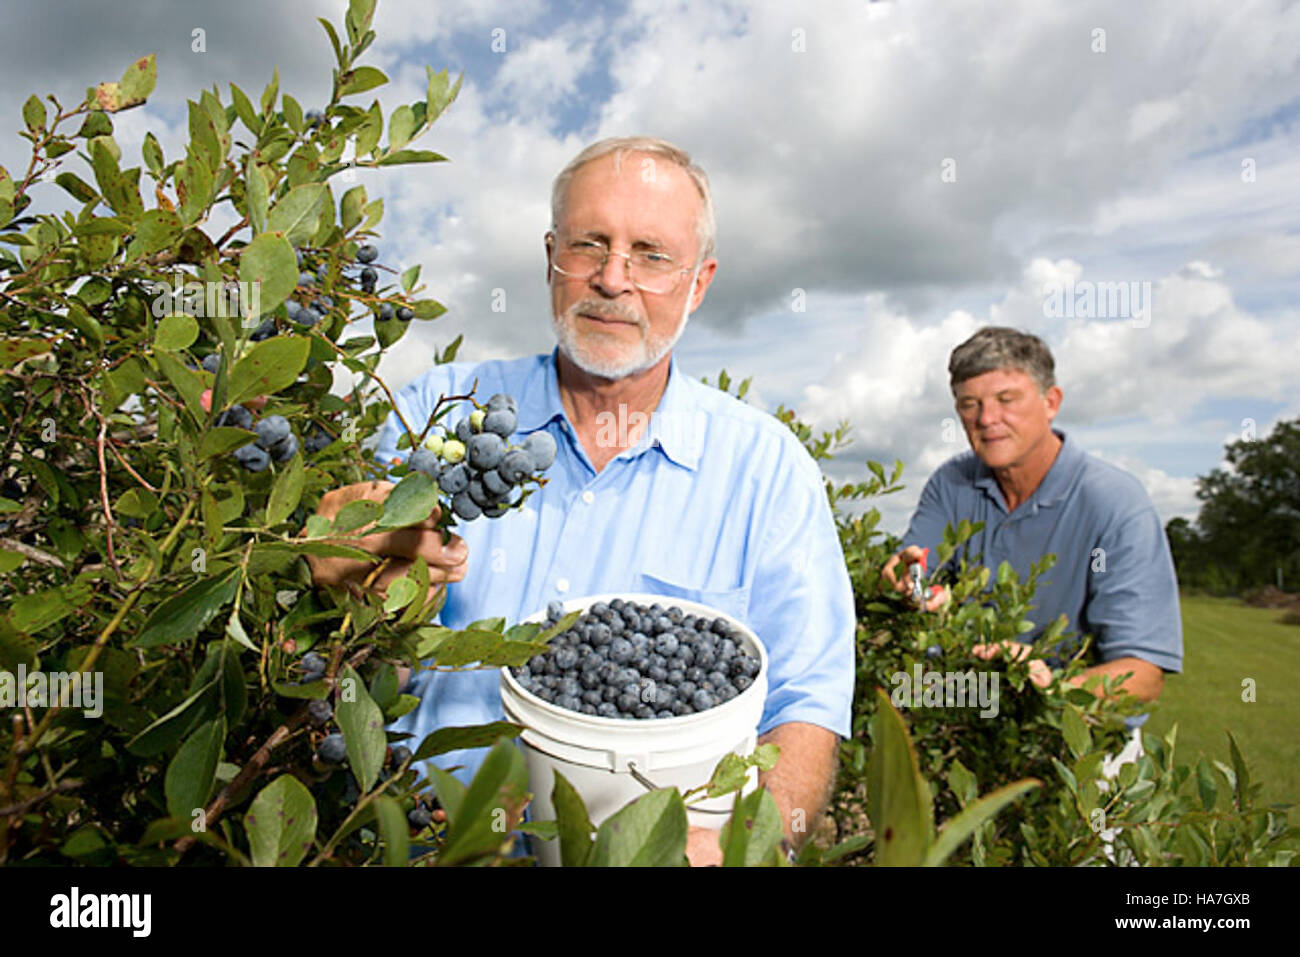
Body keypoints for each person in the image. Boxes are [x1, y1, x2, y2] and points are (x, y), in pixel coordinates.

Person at [306, 136, 856, 866]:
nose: (612, 278)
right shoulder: (437, 414)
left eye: (651, 254)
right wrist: (334, 586)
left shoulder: (766, 469)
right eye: (588, 244)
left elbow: (806, 705)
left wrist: (744, 843)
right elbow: (343, 668)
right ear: (549, 259)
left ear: (699, 283)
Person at [882, 326, 1183, 746]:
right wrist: (908, 581)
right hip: (966, 733)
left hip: (1080, 748)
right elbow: (915, 567)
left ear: (1051, 402)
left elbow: (1144, 676)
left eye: (1006, 400)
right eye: (970, 405)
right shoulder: (951, 483)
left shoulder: (1116, 502)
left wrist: (1049, 684)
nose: (987, 420)